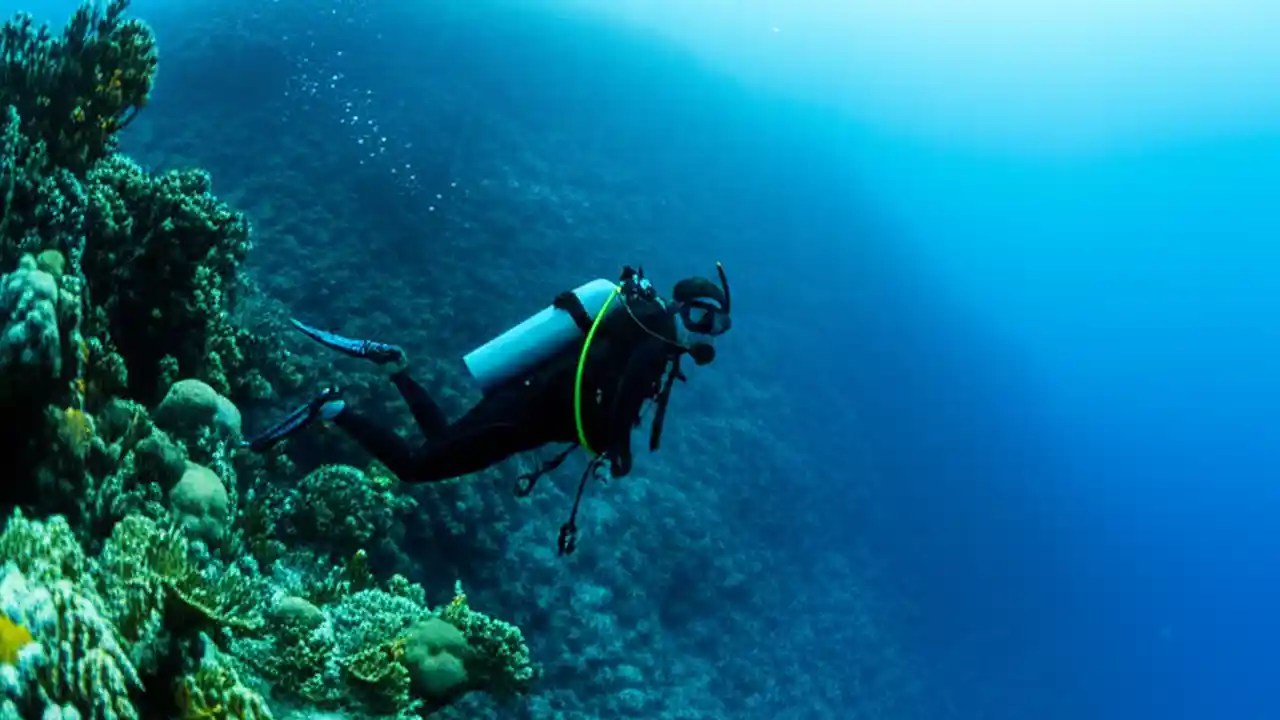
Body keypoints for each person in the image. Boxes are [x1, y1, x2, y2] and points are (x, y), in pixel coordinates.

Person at [244, 264, 732, 553]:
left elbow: (612, 391)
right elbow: (623, 396)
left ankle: (395, 368)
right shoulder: (657, 340)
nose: (707, 333)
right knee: (416, 467)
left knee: (439, 446)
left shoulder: (649, 329)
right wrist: (617, 453)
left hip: (524, 406)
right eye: (706, 320)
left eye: (716, 327)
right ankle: (333, 408)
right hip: (523, 412)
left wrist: (609, 445)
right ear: (689, 310)